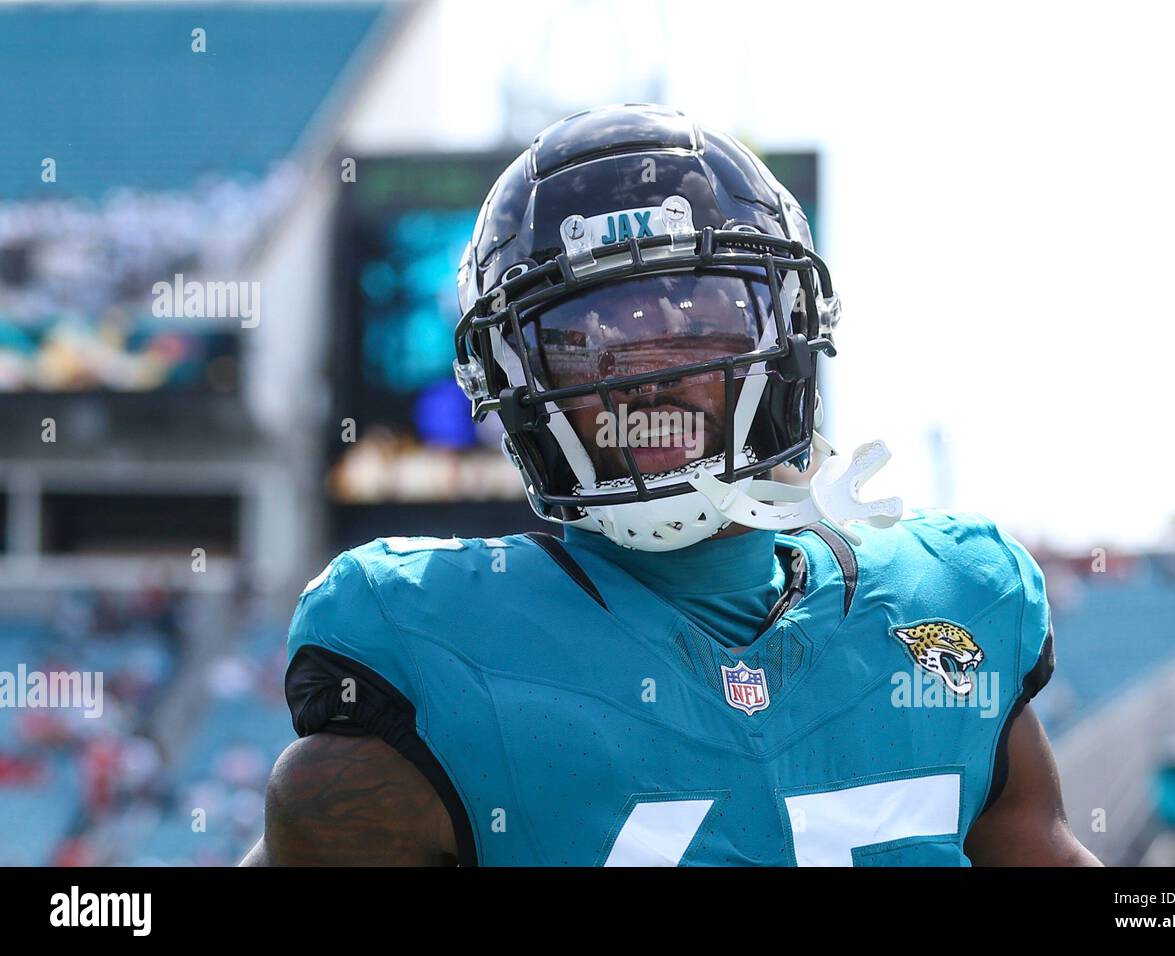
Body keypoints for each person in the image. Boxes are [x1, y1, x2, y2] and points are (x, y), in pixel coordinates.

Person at [242, 104, 1098, 866]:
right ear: (508, 378)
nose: (645, 378)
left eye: (697, 319)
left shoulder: (947, 599)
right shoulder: (437, 648)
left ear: (789, 329)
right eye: (585, 333)